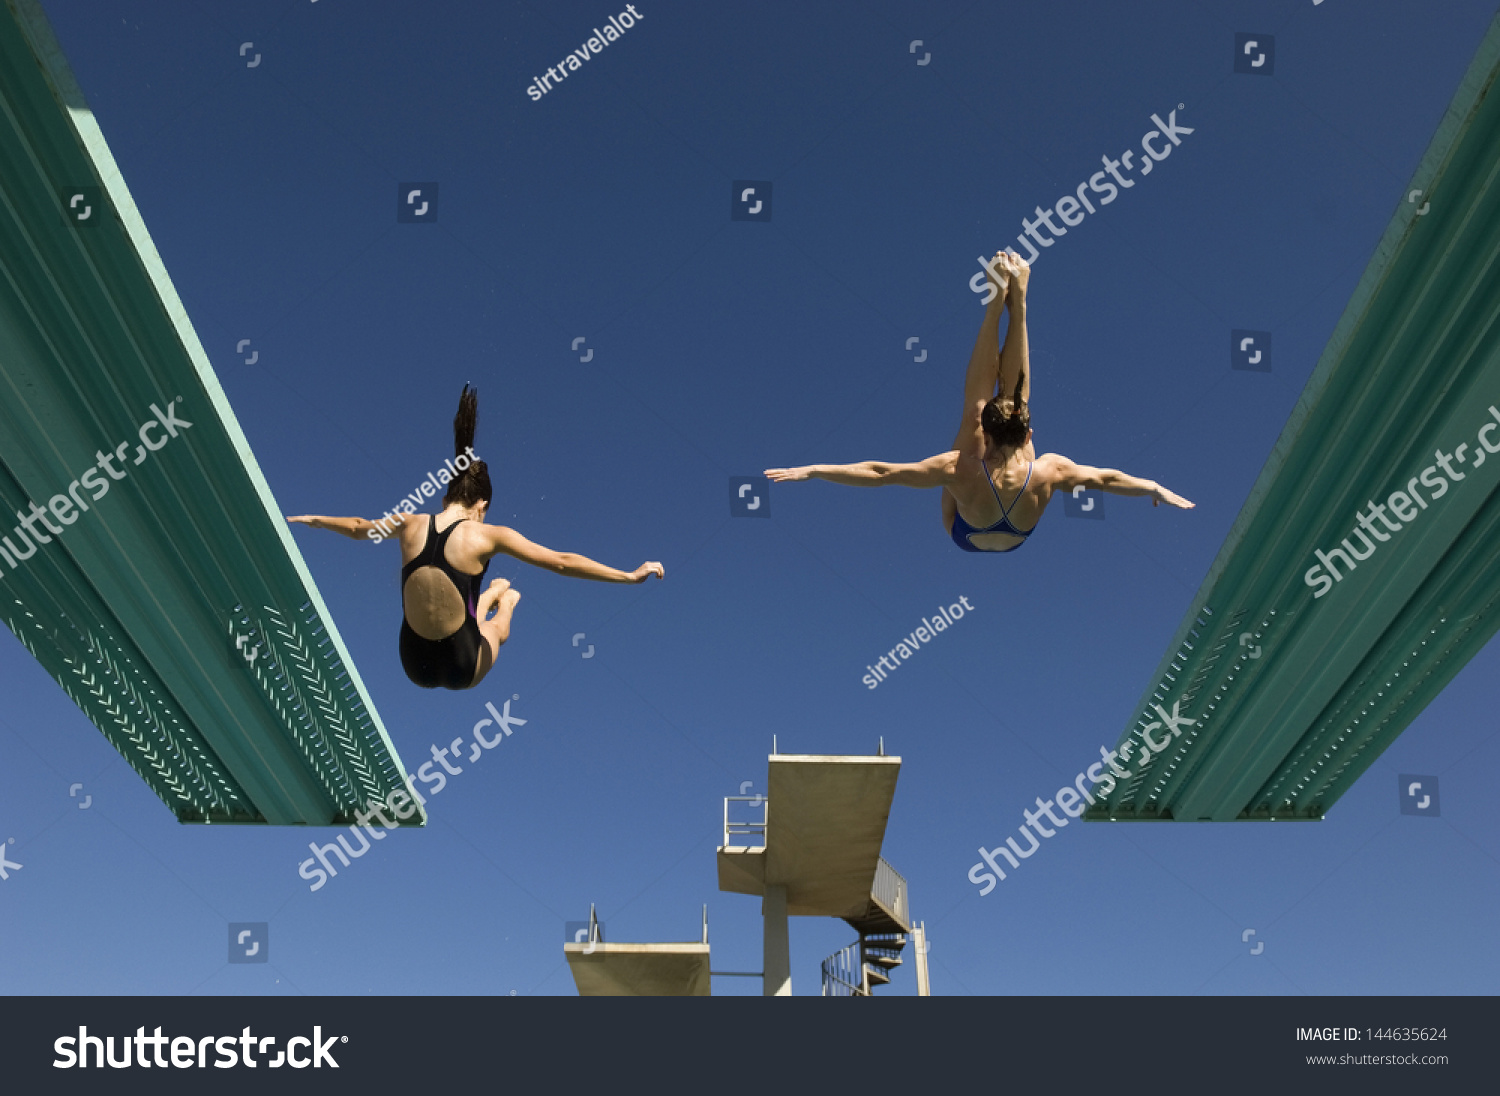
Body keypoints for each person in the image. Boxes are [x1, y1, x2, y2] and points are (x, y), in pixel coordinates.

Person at [765, 251, 1193, 551]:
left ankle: (998, 305)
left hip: (964, 532)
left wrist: (814, 471)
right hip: (1009, 524)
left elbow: (881, 474)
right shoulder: (1048, 470)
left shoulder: (961, 468)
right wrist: (1154, 488)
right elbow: (1107, 480)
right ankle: (1016, 303)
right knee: (1004, 406)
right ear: (1028, 434)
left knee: (979, 415)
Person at [288, 385, 664, 690]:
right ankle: (506, 600)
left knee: (471, 615)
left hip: (412, 661)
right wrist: (627, 575)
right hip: (461, 663)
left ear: (443, 497)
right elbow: (562, 562)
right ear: (482, 503)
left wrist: (316, 519)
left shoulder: (409, 522)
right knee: (494, 632)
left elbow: (357, 526)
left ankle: (489, 597)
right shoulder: (487, 536)